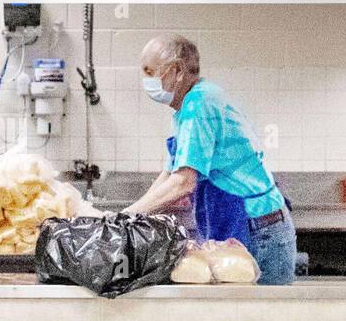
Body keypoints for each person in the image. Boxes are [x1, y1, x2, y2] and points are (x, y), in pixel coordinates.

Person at [123, 34, 297, 285]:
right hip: (237, 226)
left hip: (258, 231)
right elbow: (170, 176)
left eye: (150, 72)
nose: (147, 80)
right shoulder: (187, 108)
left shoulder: (200, 104)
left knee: (259, 319)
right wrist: (131, 215)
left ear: (177, 70)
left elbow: (183, 183)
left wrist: (127, 215)